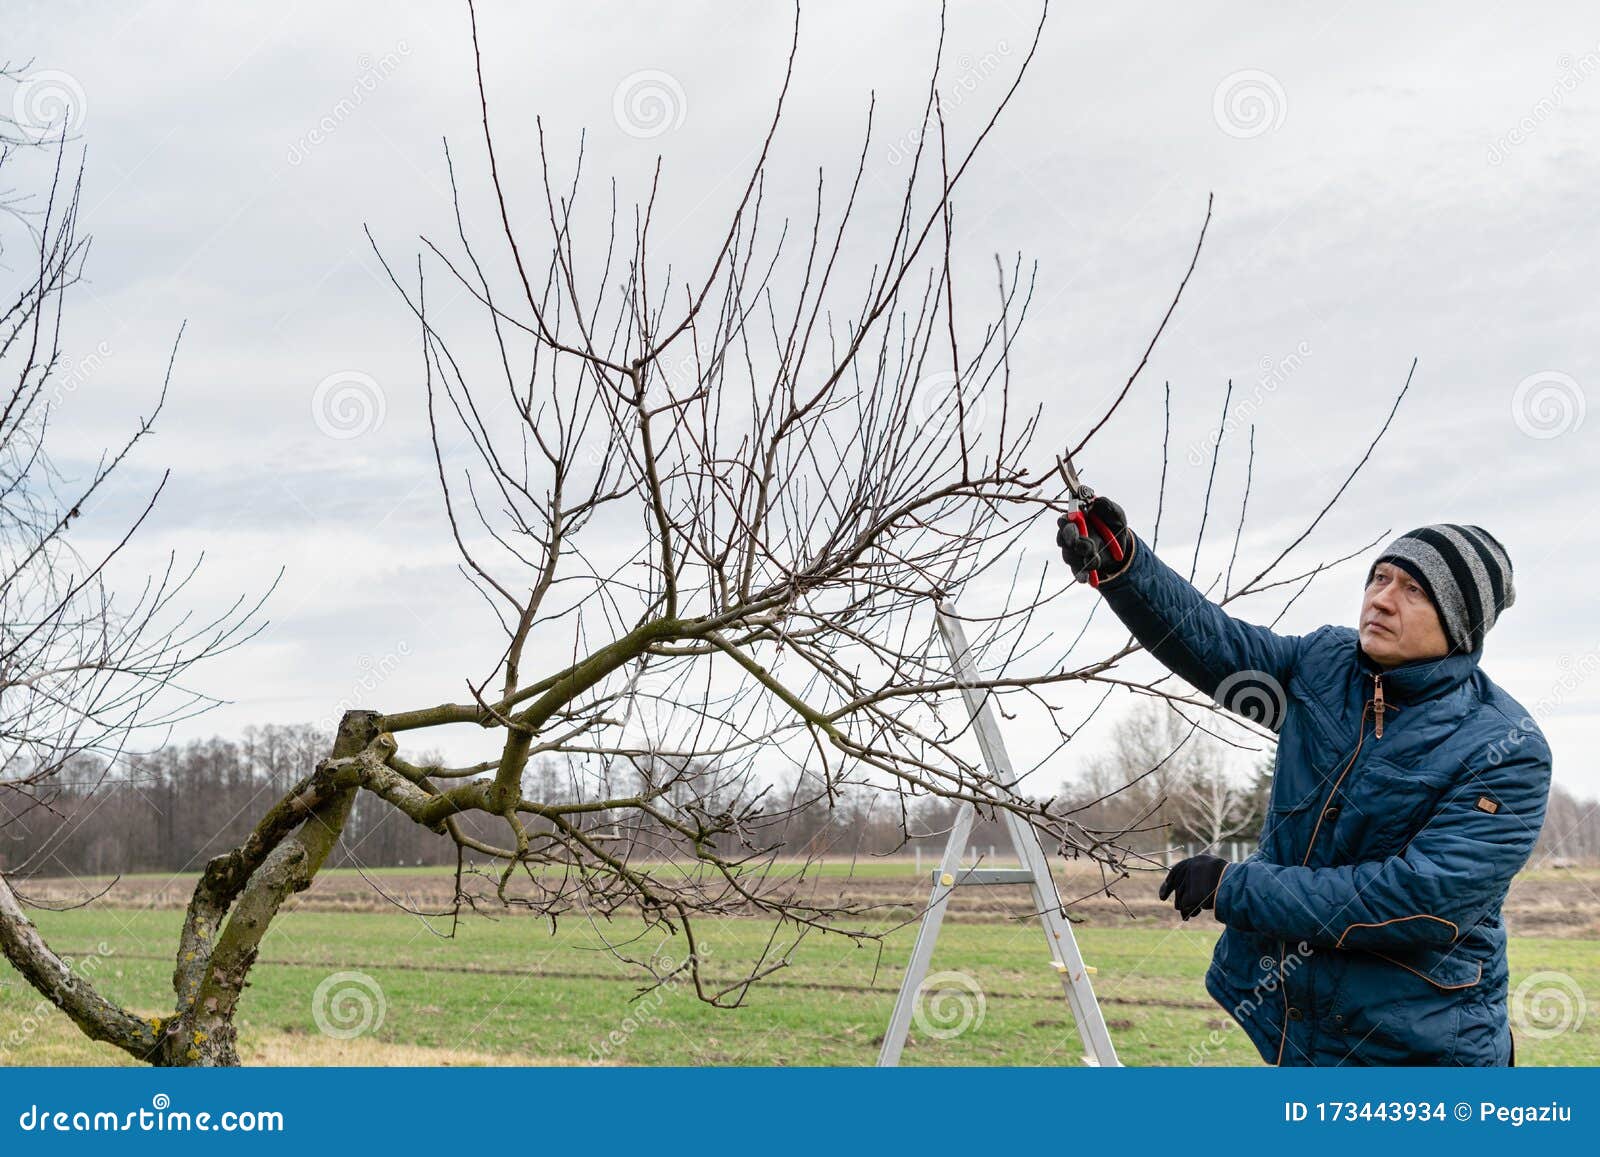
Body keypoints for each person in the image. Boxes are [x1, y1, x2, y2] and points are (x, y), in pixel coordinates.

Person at [1057, 497, 1550, 1066]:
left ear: (1461, 619)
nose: (1382, 600)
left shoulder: (1506, 750)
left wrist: (1234, 888)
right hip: (1305, 1026)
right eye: (1380, 578)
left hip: (1422, 1048)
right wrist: (1126, 570)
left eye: (1414, 590)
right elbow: (1218, 646)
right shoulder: (1325, 665)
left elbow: (1415, 899)